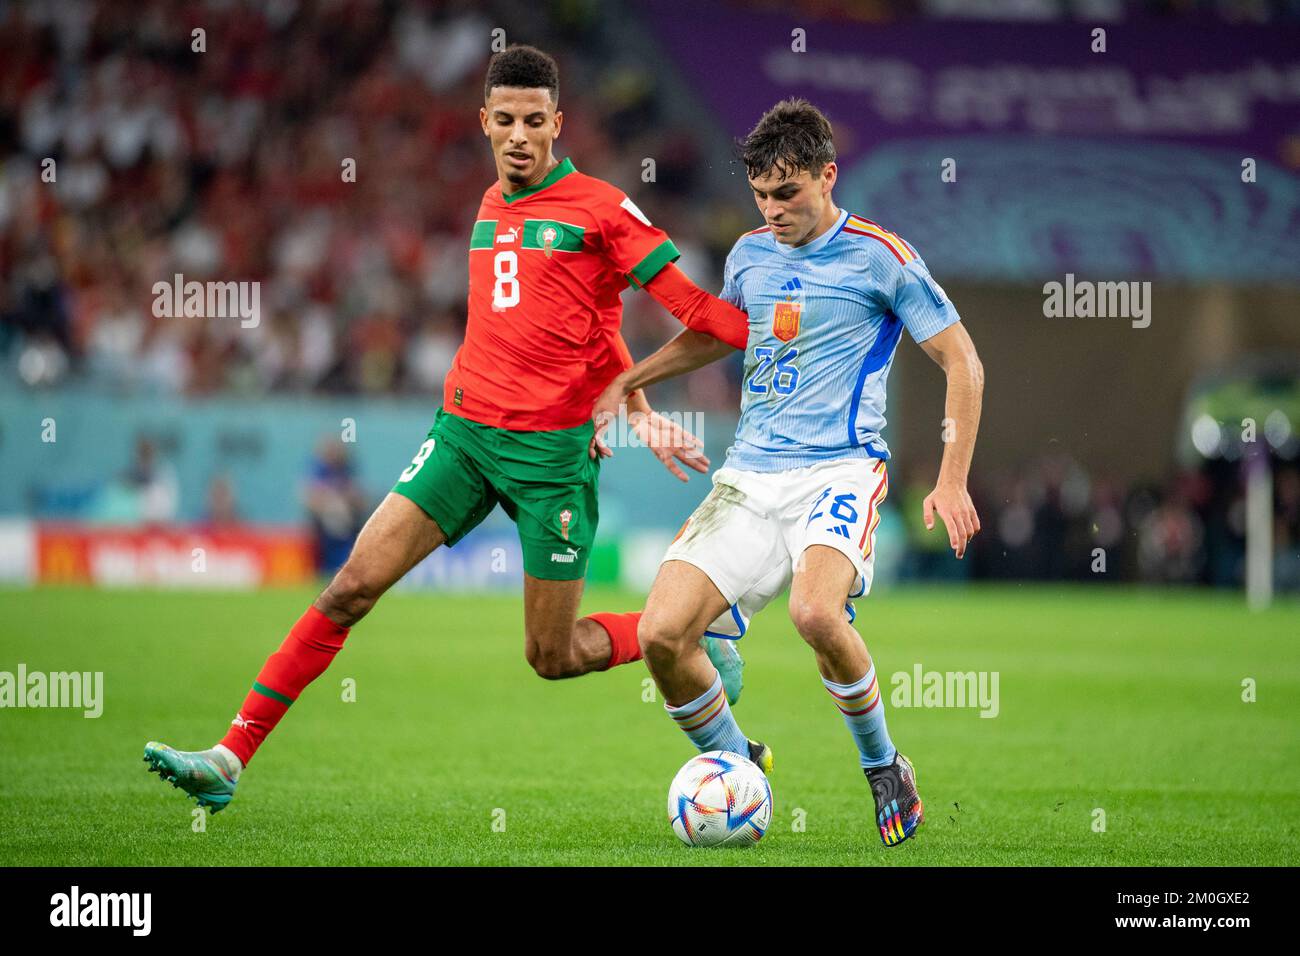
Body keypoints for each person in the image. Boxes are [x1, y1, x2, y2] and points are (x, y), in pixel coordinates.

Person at [144, 45, 751, 812]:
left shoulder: (599, 208)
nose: (521, 135)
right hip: (462, 435)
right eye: (506, 121)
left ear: (558, 123)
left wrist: (658, 385)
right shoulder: (487, 205)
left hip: (548, 462)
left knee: (552, 656)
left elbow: (703, 316)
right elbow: (584, 323)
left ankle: (689, 630)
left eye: (536, 121)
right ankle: (230, 757)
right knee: (350, 587)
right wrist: (632, 404)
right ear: (484, 124)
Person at [593, 99, 985, 847]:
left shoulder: (881, 255)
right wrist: (629, 379)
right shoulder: (750, 255)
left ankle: (883, 766)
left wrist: (952, 477)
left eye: (788, 194)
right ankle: (741, 764)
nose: (773, 211)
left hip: (839, 472)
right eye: (761, 196)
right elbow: (715, 338)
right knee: (660, 634)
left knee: (814, 614)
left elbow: (962, 361)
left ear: (827, 176)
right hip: (748, 475)